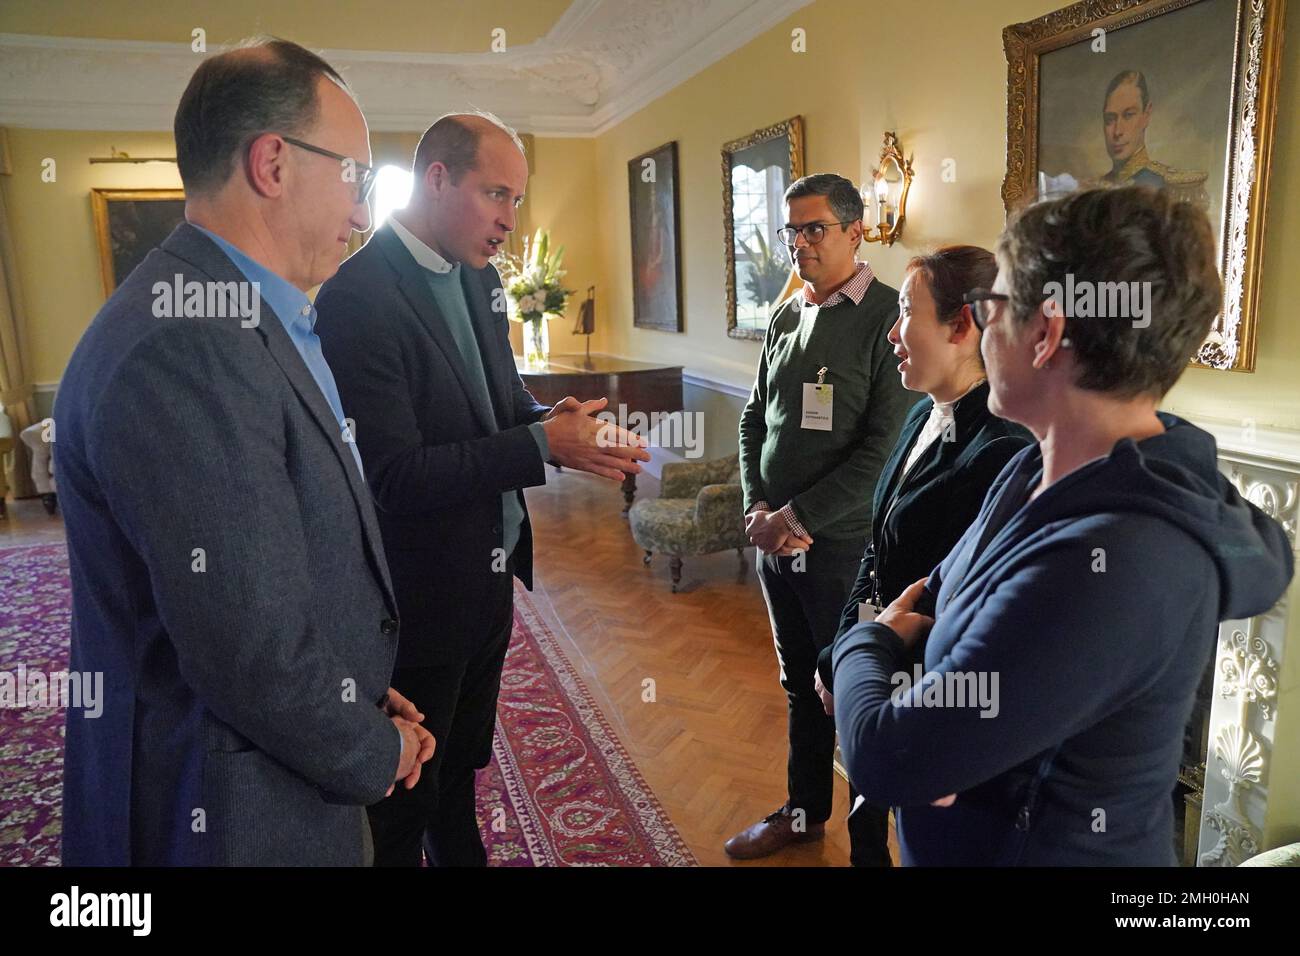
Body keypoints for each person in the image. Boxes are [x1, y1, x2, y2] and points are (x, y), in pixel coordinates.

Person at [831, 186, 1294, 865]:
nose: (984, 329)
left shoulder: (1115, 559)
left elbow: (886, 756)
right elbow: (938, 597)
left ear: (1045, 334)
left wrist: (863, 651)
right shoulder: (1032, 469)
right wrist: (932, 723)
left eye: (994, 307)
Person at [56, 38, 433, 866]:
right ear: (272, 162)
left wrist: (357, 691)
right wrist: (378, 751)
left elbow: (273, 561)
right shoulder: (187, 344)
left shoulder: (234, 312)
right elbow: (249, 654)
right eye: (356, 179)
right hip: (225, 808)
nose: (365, 214)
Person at [315, 112, 649, 866]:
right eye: (496, 193)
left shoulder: (481, 277)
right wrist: (537, 443)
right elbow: (394, 477)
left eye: (518, 199)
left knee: (462, 769)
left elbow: (501, 407)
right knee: (407, 796)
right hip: (419, 597)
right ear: (436, 178)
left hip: (489, 584)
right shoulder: (358, 296)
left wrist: (558, 428)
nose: (509, 220)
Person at [812, 245, 1033, 865]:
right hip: (876, 655)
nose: (892, 330)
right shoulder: (919, 417)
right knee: (865, 819)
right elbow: (876, 550)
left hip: (924, 687)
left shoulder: (1000, 451)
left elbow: (952, 606)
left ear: (961, 326)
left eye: (906, 311)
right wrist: (841, 652)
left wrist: (863, 663)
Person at [728, 173, 912, 860]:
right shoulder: (788, 312)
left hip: (841, 547)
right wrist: (756, 506)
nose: (800, 243)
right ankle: (804, 813)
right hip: (773, 541)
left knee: (854, 690)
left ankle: (873, 846)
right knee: (798, 683)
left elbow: (881, 450)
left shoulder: (888, 318)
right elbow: (753, 420)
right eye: (791, 230)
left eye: (815, 229)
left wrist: (796, 515)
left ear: (855, 231)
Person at [1096, 70, 1207, 206]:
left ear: (1146, 114)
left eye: (1129, 115)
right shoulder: (1093, 191)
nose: (1117, 131)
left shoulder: (1174, 187)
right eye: (1110, 119)